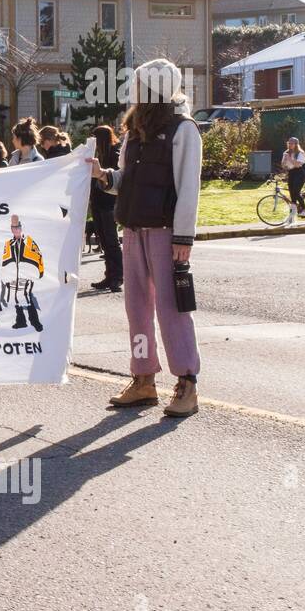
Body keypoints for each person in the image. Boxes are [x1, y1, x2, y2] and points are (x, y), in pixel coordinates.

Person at [88, 58, 202, 419]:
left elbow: (189, 189)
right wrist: (103, 175)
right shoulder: (135, 132)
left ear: (154, 88)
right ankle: (143, 378)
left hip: (167, 233)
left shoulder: (184, 130)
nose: (133, 90)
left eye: (139, 84)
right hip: (133, 230)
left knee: (172, 311)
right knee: (136, 309)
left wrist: (184, 236)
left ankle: (187, 382)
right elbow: (125, 180)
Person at [89, 125, 122, 292]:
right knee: (104, 241)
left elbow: (114, 178)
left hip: (109, 203)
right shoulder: (98, 155)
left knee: (111, 241)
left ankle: (117, 276)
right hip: (98, 202)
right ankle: (109, 275)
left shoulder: (113, 155)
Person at [2, 214, 45, 331]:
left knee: (27, 297)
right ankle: (20, 321)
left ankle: (35, 322)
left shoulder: (29, 241)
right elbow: (5, 259)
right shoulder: (8, 243)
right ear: (11, 229)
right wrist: (6, 276)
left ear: (21, 228)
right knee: (16, 298)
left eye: (17, 228)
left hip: (26, 275)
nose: (16, 230)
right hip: (13, 276)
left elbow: (38, 255)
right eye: (13, 228)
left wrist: (39, 271)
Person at [281, 137, 305, 221]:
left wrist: (289, 158)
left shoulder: (300, 153)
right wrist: (284, 162)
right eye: (289, 143)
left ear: (296, 144)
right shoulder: (286, 153)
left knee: (296, 192)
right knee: (292, 194)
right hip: (292, 173)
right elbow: (283, 165)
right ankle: (292, 215)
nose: (290, 145)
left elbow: (297, 165)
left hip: (300, 173)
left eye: (292, 143)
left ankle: (304, 210)